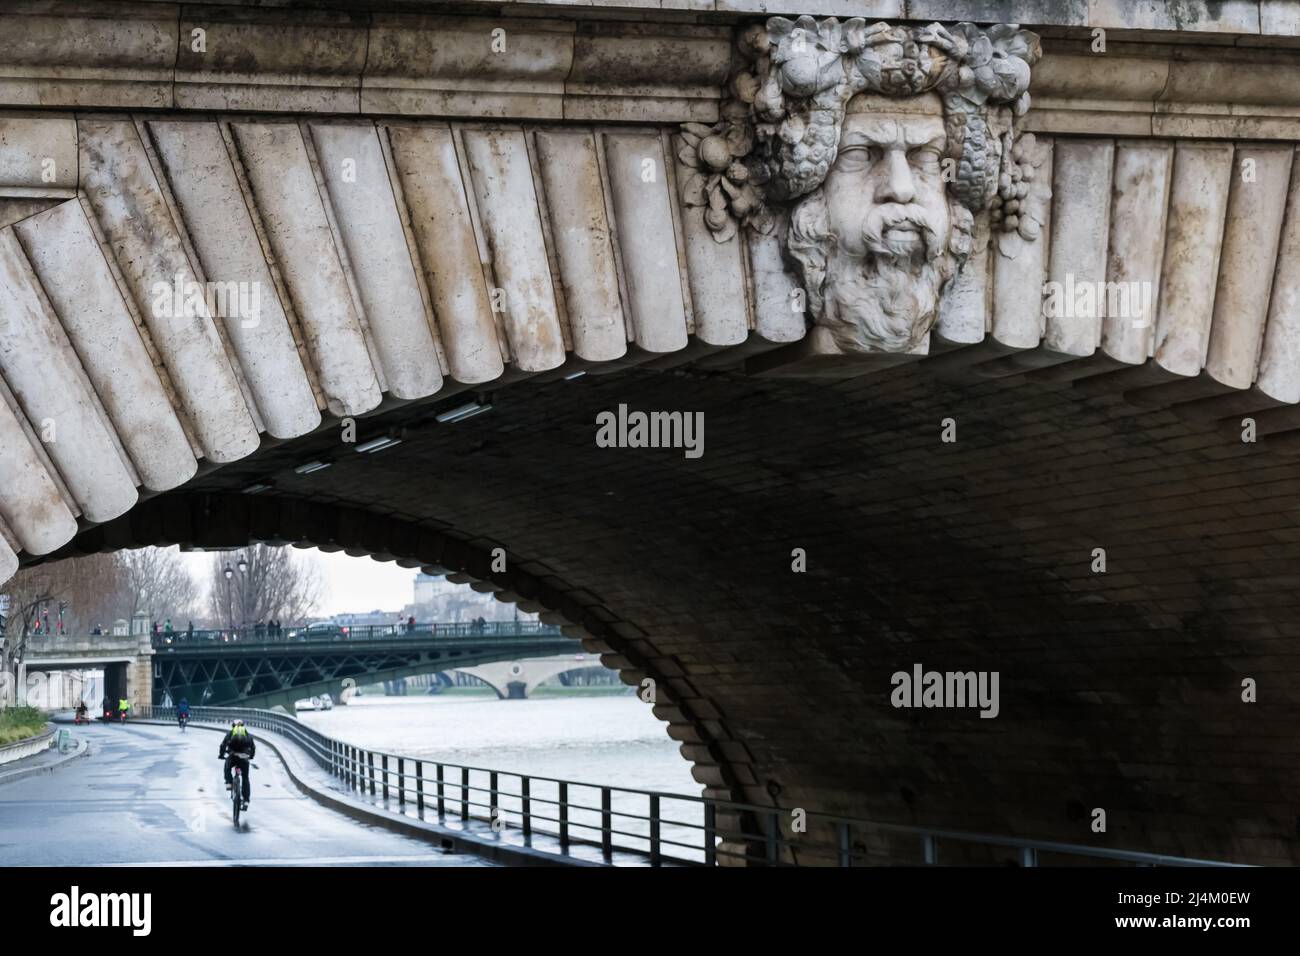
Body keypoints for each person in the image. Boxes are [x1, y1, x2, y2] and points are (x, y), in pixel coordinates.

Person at [219, 720, 256, 809]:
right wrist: (250, 756)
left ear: (233, 726)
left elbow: (223, 745)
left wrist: (221, 755)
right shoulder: (248, 735)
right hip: (244, 758)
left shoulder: (230, 734)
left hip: (233, 756)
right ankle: (246, 800)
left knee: (227, 766)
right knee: (245, 778)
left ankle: (229, 782)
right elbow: (253, 747)